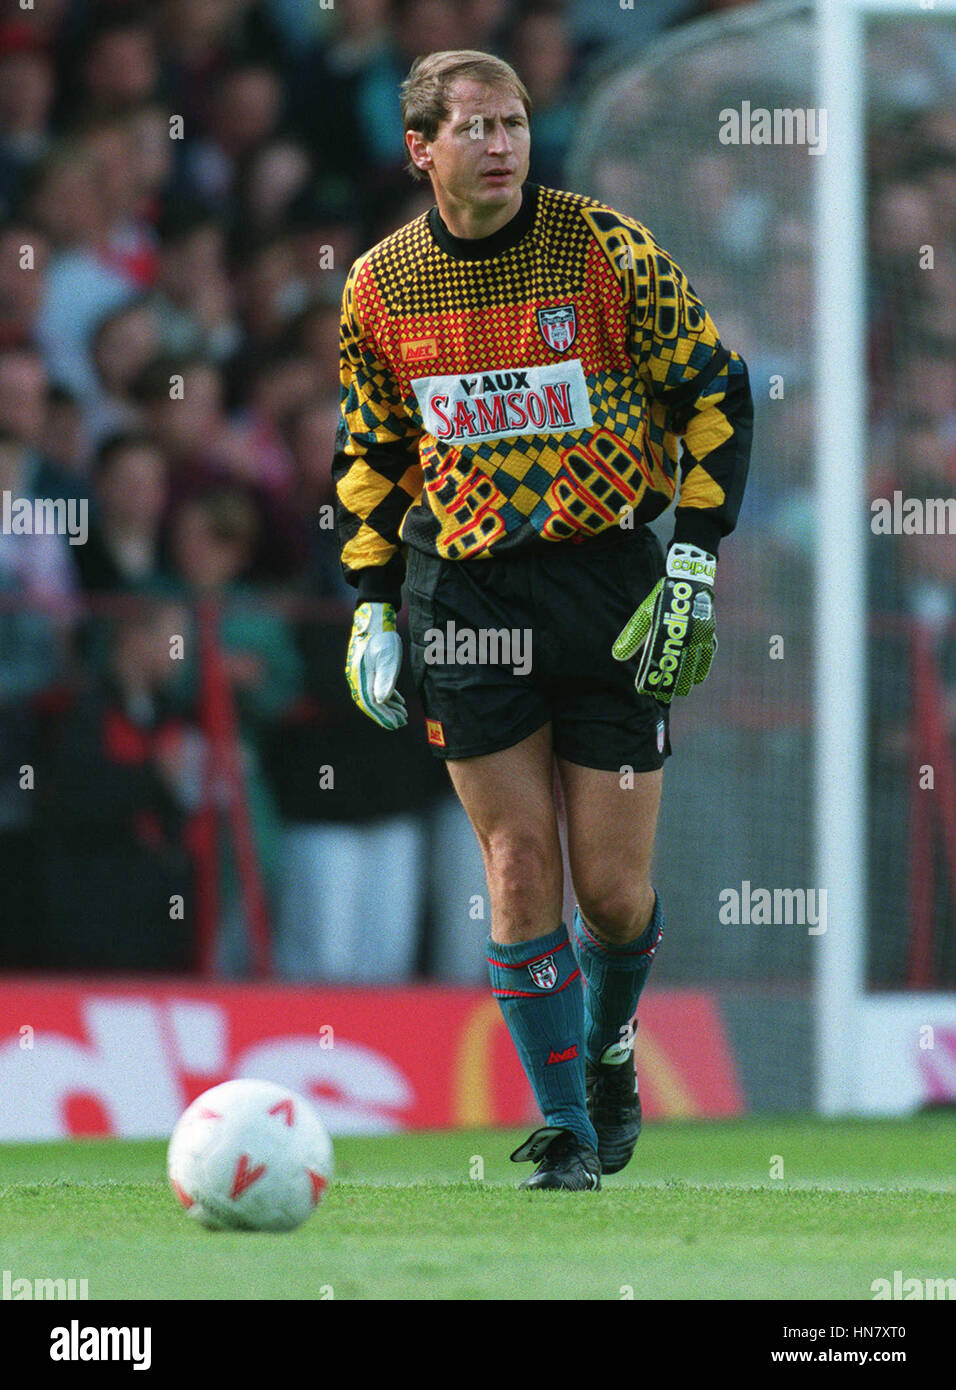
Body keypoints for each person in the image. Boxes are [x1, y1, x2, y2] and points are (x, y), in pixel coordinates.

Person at [333, 50, 752, 1189]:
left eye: (513, 122)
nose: (502, 143)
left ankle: (612, 1049)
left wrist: (694, 562)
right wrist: (372, 606)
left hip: (605, 586)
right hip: (462, 591)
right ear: (421, 148)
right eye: (474, 127)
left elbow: (716, 392)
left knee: (611, 894)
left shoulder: (605, 251)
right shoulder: (378, 287)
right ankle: (565, 1126)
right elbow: (369, 454)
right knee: (517, 864)